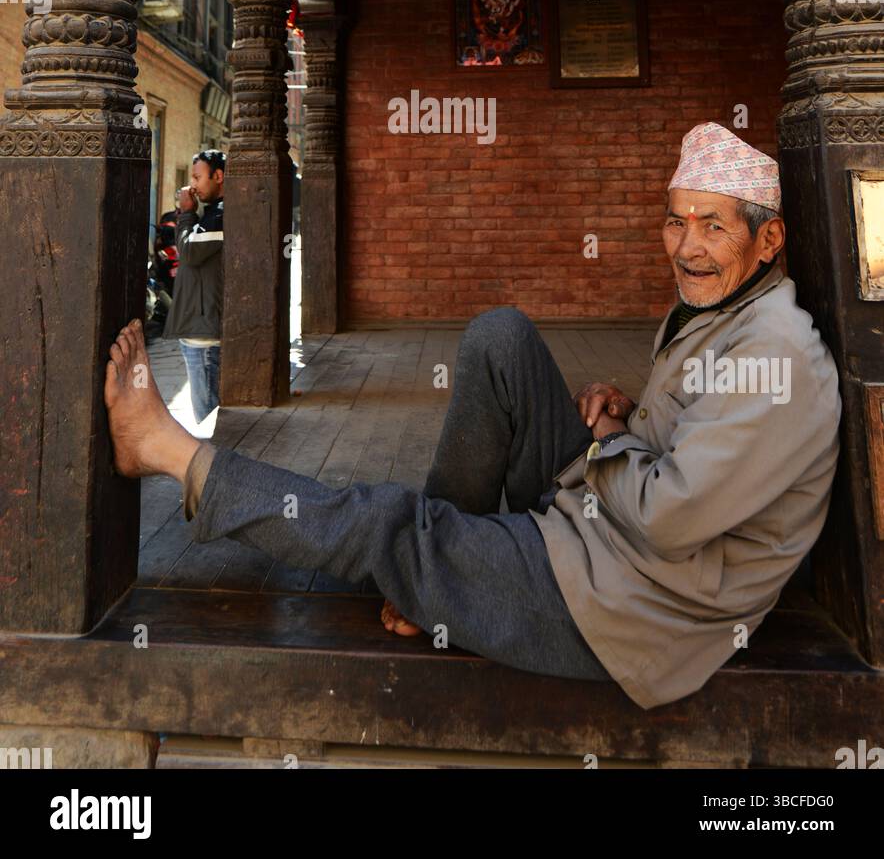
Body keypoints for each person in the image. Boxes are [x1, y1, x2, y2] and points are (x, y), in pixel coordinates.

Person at [104, 122, 841, 709]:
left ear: (767, 239)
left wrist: (615, 434)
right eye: (676, 223)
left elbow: (669, 517)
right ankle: (432, 578)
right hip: (604, 526)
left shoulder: (777, 360)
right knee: (501, 337)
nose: (687, 248)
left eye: (712, 226)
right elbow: (695, 442)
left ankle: (168, 451)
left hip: (635, 607)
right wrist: (637, 414)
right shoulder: (725, 313)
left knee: (383, 520)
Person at [163, 149, 225, 426]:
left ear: (218, 176)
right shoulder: (211, 213)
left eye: (198, 178)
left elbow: (188, 252)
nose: (193, 186)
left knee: (208, 418)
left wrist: (187, 214)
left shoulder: (220, 215)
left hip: (204, 337)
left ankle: (218, 468)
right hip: (199, 330)